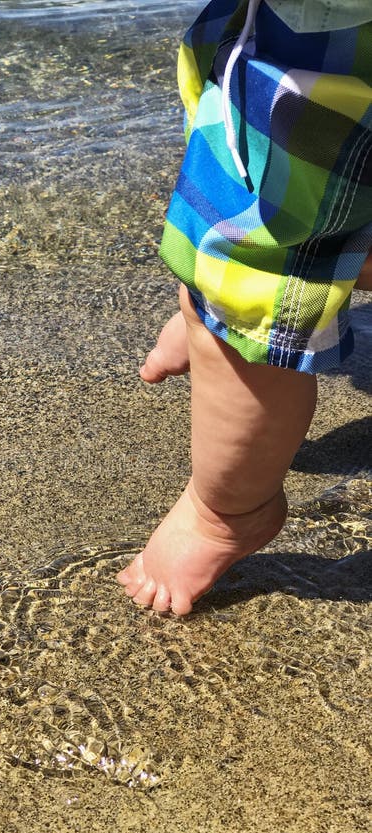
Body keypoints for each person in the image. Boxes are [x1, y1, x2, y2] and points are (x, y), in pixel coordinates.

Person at [117, 0, 372, 614]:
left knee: (253, 263)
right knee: (234, 141)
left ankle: (228, 511)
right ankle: (203, 309)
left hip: (326, 47)